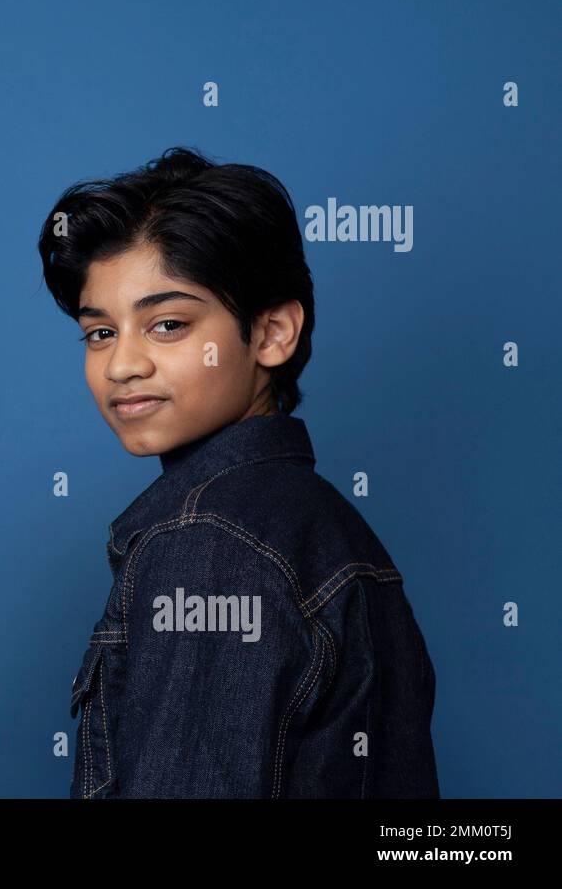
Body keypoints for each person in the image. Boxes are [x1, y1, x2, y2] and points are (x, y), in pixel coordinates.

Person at [37, 146, 440, 798]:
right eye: (100, 333)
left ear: (273, 332)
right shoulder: (324, 528)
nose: (121, 365)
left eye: (168, 324)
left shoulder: (207, 548)